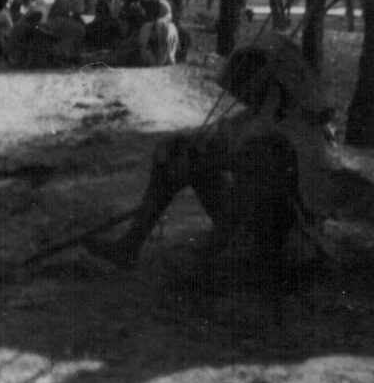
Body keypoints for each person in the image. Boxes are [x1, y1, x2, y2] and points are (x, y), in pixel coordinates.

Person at [83, 36, 341, 278]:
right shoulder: (254, 119)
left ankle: (215, 256)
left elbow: (253, 168)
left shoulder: (297, 134)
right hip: (248, 225)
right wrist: (180, 146)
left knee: (231, 173)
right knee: (179, 152)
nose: (244, 91)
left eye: (251, 82)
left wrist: (205, 157)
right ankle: (130, 246)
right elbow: (211, 139)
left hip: (285, 242)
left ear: (271, 85)